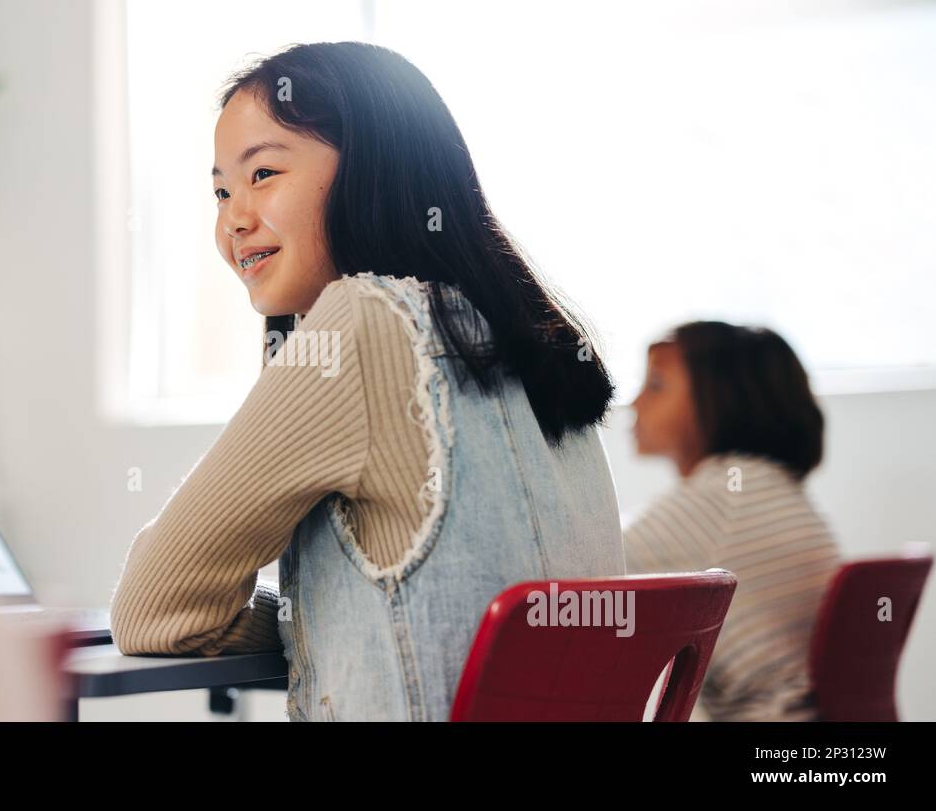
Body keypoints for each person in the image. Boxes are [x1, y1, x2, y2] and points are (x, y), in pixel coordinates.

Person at [110, 42, 624, 720]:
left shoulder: (360, 324)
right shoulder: (534, 343)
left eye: (263, 173)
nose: (232, 219)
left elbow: (154, 610)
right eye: (220, 192)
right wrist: (331, 613)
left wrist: (287, 617)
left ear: (373, 169)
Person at [623, 321, 841, 721]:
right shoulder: (763, 486)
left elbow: (577, 569)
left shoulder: (725, 495)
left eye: (656, 384)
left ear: (720, 399)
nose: (635, 402)